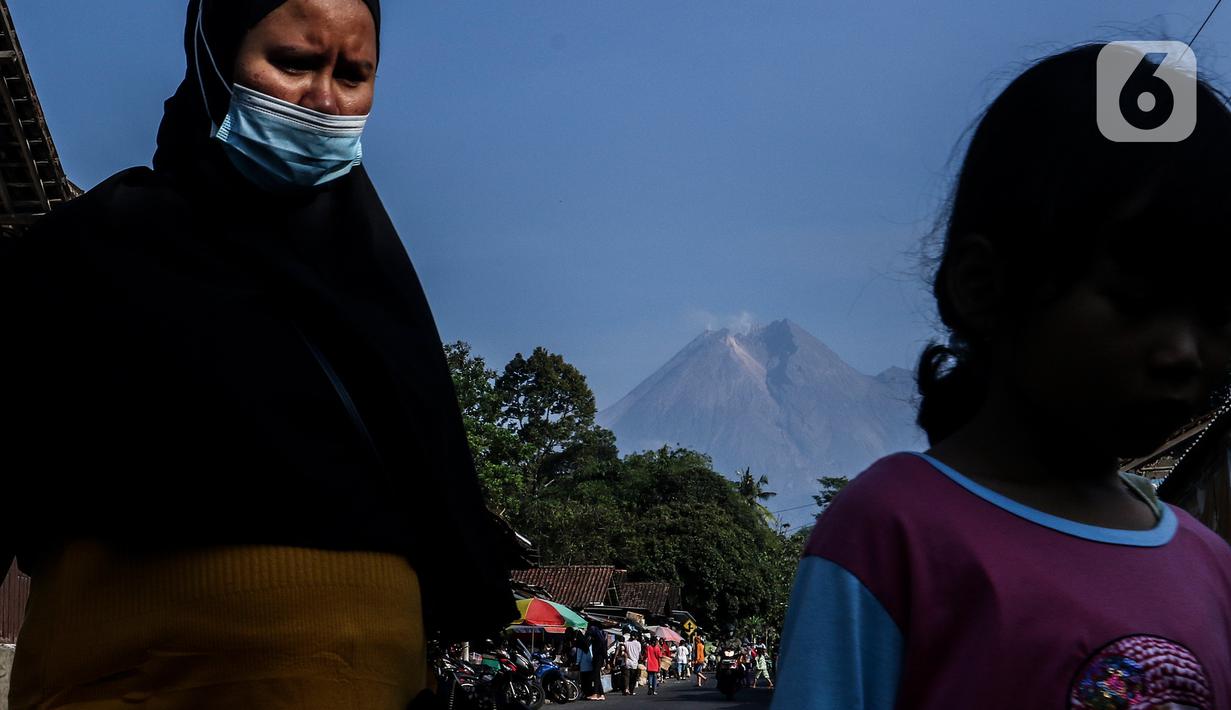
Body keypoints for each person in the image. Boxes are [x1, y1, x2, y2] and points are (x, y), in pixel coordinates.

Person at [0, 1, 517, 708]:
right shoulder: (91, 251)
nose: (325, 100)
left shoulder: (374, 286)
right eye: (294, 63)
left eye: (354, 74)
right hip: (136, 683)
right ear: (214, 59)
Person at [772, 43, 1231, 709]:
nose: (1184, 352)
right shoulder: (891, 534)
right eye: (1136, 301)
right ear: (984, 286)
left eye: (1218, 314)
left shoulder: (1210, 569)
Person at [583, 620, 608, 701]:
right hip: (598, 657)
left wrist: (606, 660)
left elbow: (603, 649)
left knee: (596, 675)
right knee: (596, 676)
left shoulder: (597, 637)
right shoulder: (599, 636)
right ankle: (601, 694)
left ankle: (596, 693)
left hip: (598, 658)